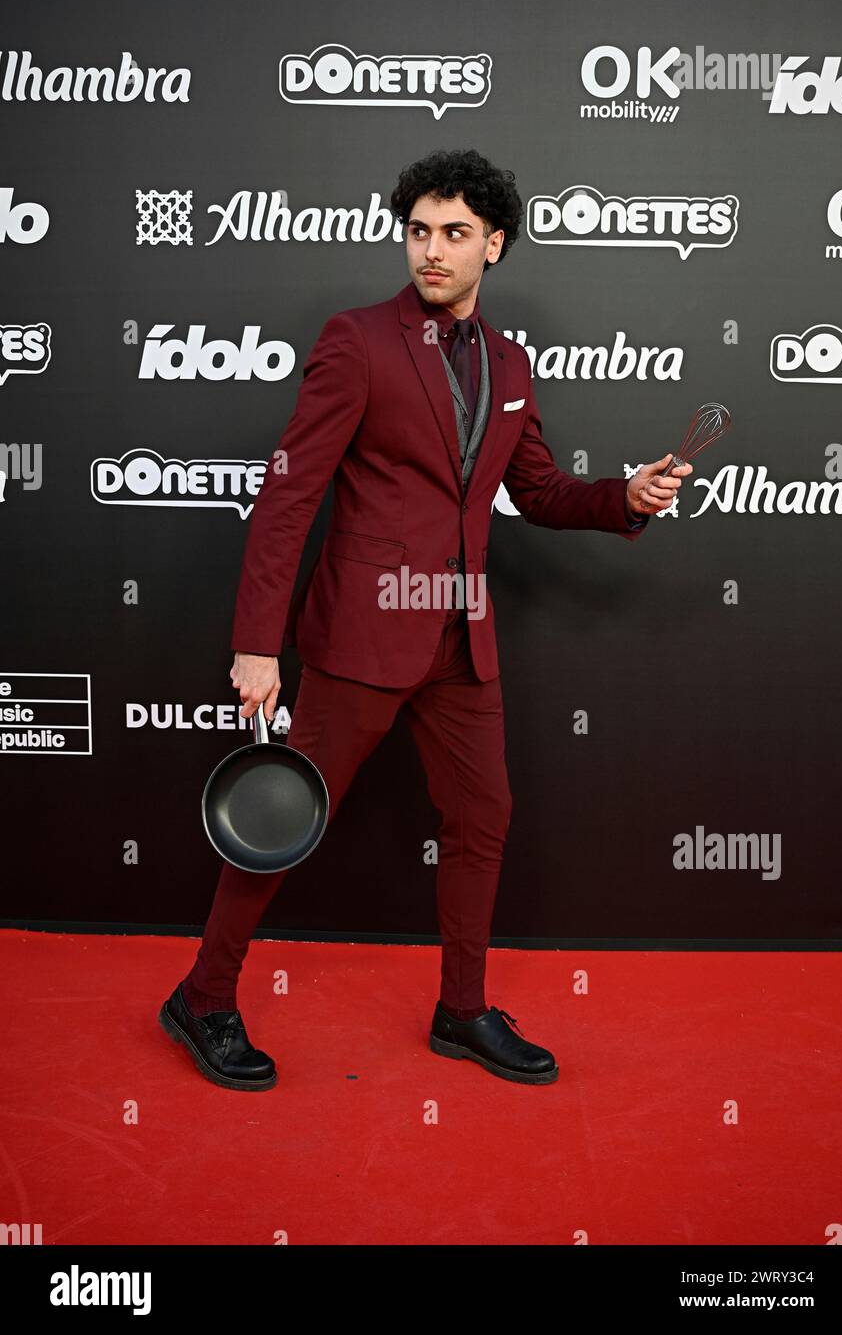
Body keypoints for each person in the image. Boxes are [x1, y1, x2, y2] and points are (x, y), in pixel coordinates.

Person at [158, 148, 692, 1091]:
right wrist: (255, 644)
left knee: (484, 816)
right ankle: (202, 997)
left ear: (496, 246)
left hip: (461, 642)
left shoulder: (513, 365)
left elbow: (541, 491)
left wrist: (627, 498)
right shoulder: (356, 341)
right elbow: (288, 498)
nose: (431, 251)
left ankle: (462, 1009)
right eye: (418, 232)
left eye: (453, 234)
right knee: (283, 818)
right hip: (361, 639)